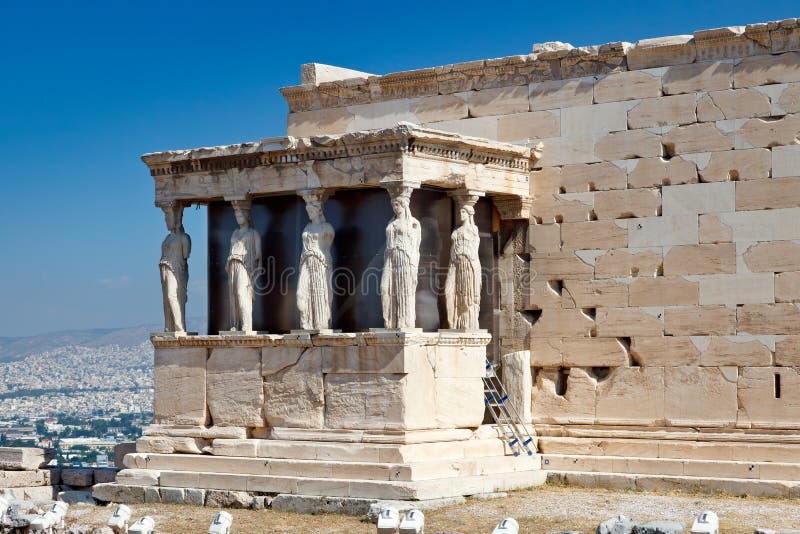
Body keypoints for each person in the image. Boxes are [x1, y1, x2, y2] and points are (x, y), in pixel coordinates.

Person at [381, 189, 421, 329]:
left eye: (397, 204)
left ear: (404, 205)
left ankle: (404, 323)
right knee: (385, 288)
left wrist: (413, 265)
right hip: (391, 258)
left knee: (404, 291)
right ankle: (390, 322)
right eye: (393, 205)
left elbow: (416, 246)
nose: (395, 208)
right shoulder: (391, 223)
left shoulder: (413, 223)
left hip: (405, 258)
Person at [297, 194, 334, 330]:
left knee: (320, 293)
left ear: (318, 211)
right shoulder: (306, 227)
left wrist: (322, 259)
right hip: (306, 262)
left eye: (311, 211)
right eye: (308, 212)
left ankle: (320, 323)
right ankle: (306, 323)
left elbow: (327, 248)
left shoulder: (327, 228)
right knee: (300, 295)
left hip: (319, 263)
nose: (309, 214)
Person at [226, 201, 262, 332]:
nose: (238, 218)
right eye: (236, 215)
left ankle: (247, 325)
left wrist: (252, 263)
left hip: (245, 265)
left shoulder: (253, 233)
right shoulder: (234, 233)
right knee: (234, 295)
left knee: (242, 293)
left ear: (246, 216)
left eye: (240, 215)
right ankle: (236, 324)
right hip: (232, 264)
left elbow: (258, 253)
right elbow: (231, 248)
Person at [446, 202, 482, 330]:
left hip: (468, 264)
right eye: (460, 212)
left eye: (463, 212)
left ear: (469, 214)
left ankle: (467, 324)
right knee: (449, 292)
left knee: (467, 296)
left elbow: (474, 249)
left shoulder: (473, 229)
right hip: (455, 264)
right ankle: (454, 322)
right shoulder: (456, 231)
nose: (460, 214)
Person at [159, 204, 191, 333]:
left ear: (176, 218)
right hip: (165, 268)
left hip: (176, 269)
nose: (166, 221)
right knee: (167, 298)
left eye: (168, 218)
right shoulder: (167, 237)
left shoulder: (184, 237)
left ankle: (179, 326)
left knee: (172, 295)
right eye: (165, 218)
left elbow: (185, 255)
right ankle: (170, 326)